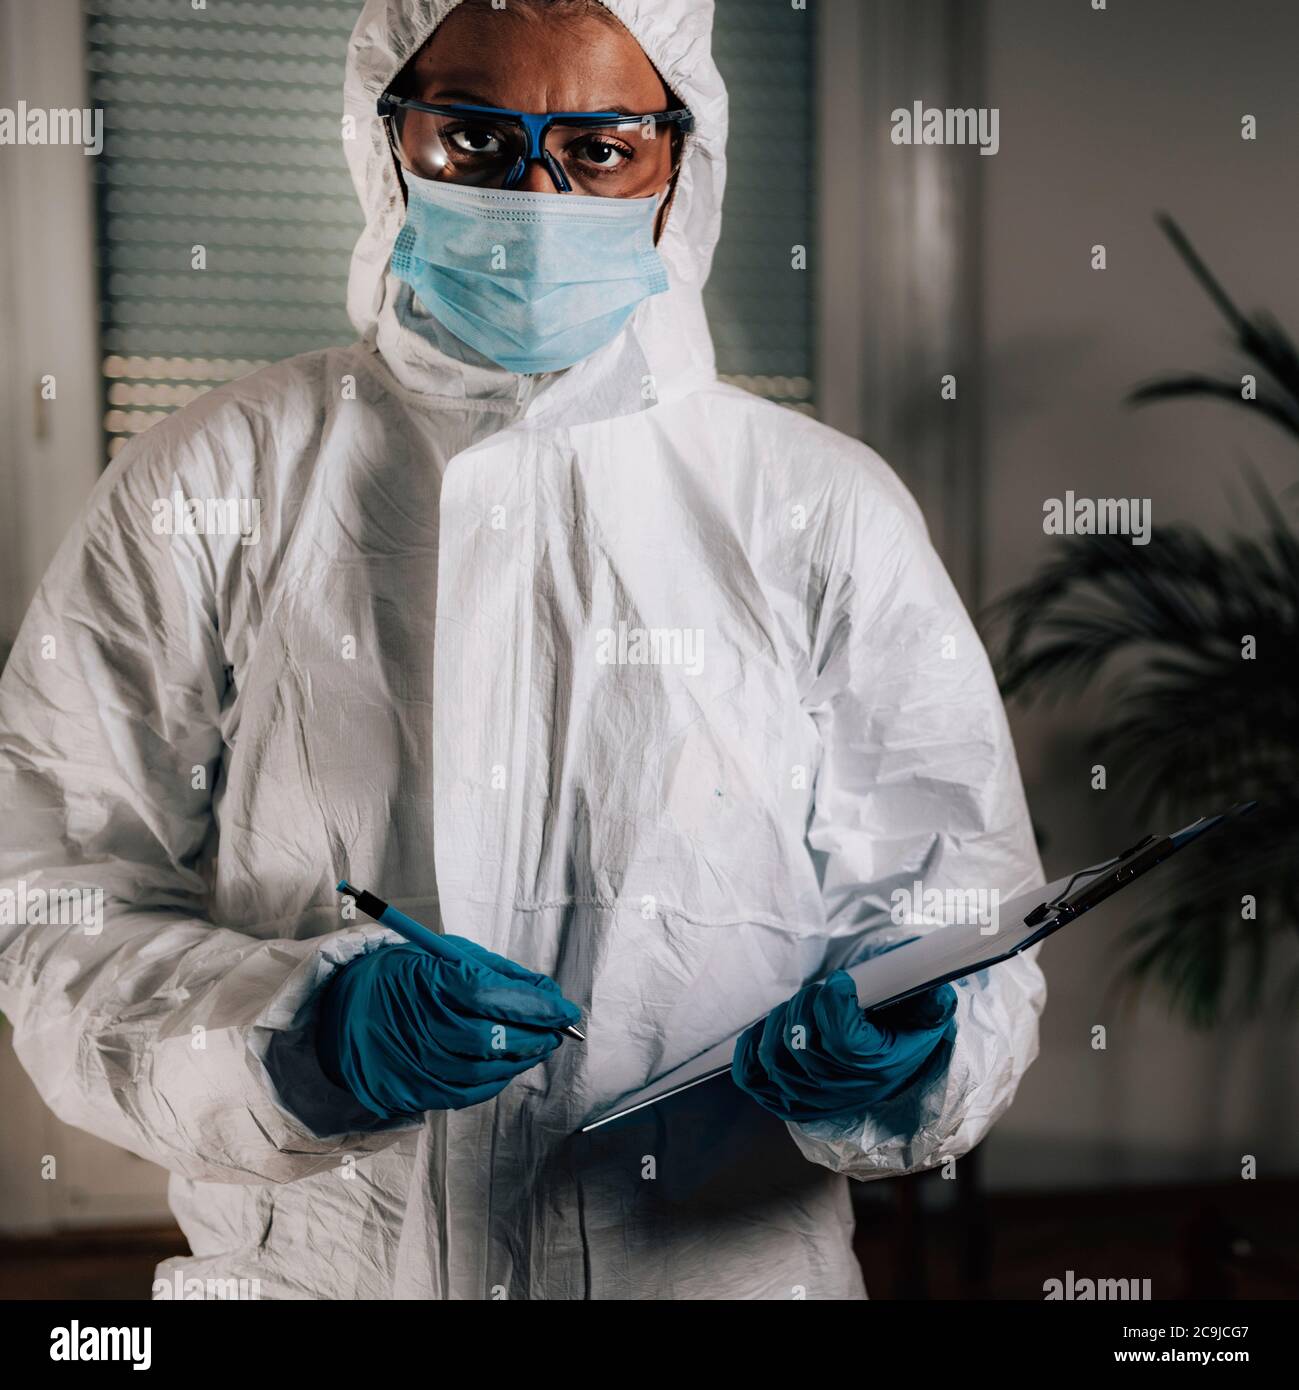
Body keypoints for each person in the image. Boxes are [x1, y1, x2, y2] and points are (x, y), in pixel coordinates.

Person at [0, 0, 1046, 1300]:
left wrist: (912, 1042)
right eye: (480, 143)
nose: (542, 198)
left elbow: (958, 898)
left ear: (682, 155)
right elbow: (54, 895)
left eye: (600, 149)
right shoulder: (214, 481)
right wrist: (304, 1033)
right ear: (391, 138)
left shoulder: (821, 510)